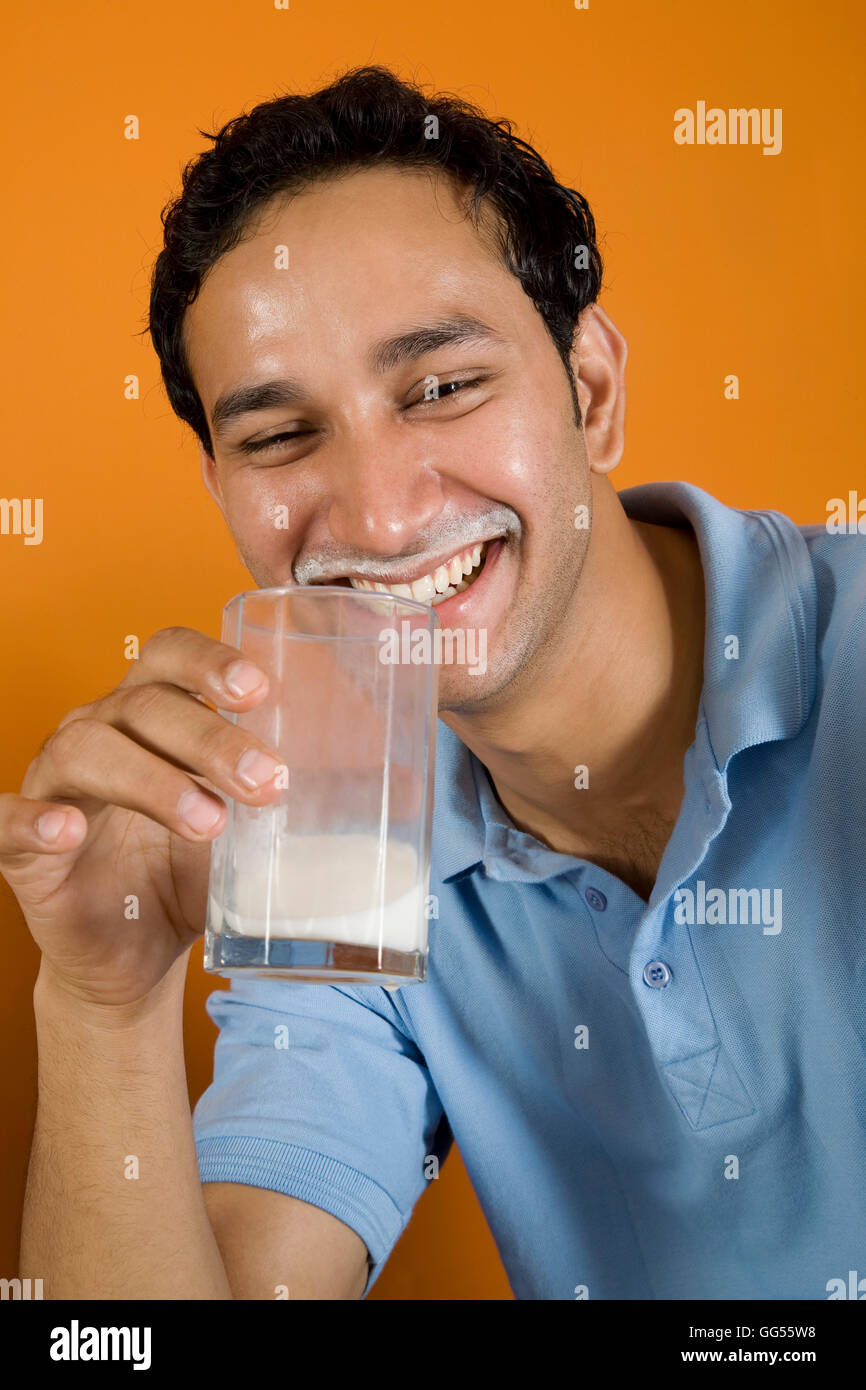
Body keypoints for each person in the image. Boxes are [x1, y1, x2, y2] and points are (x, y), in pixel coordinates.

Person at [4, 66, 864, 1301]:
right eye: (279, 434)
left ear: (591, 388)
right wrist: (104, 1005)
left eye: (443, 387)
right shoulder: (330, 849)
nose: (378, 509)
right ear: (223, 492)